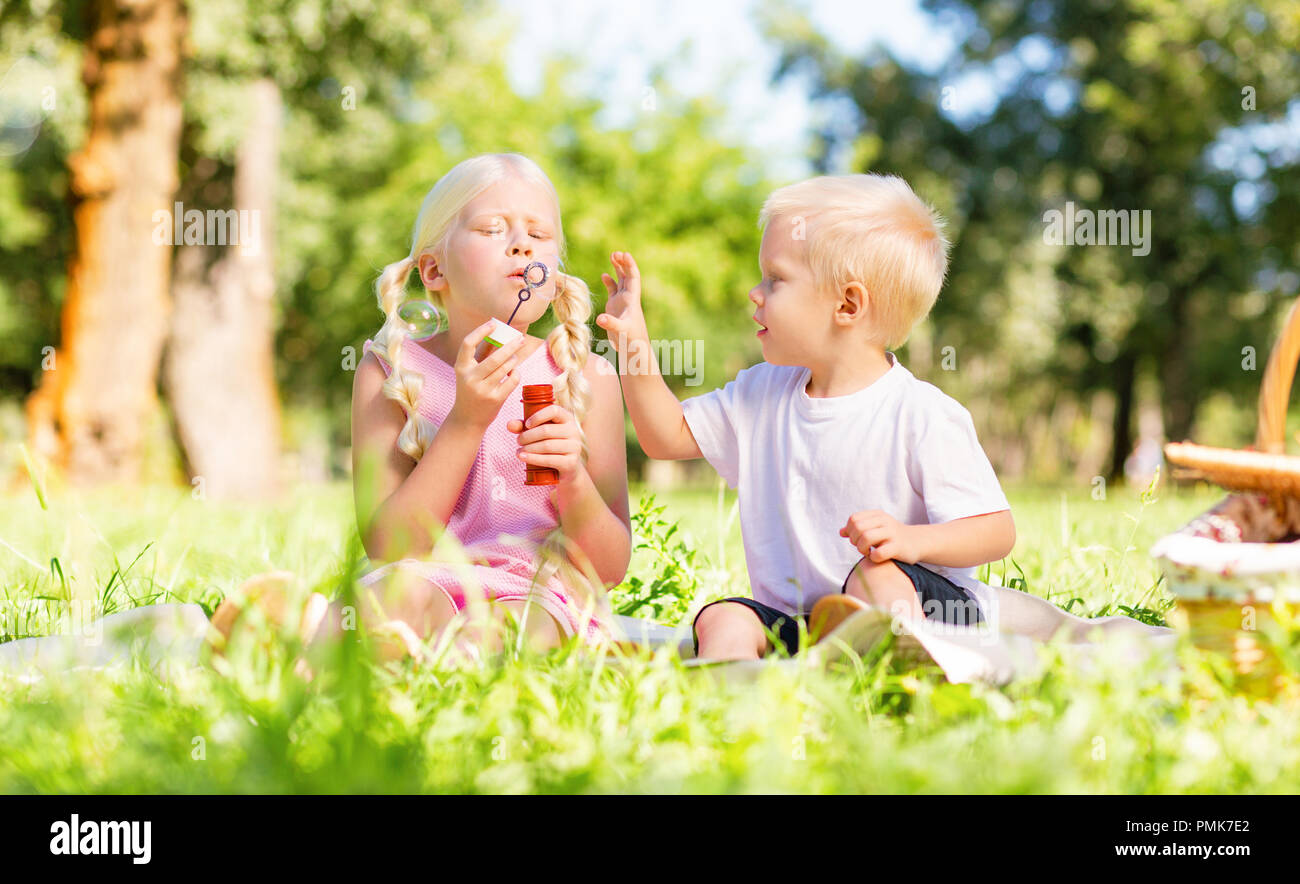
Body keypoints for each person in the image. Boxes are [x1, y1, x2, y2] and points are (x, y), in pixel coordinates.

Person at [214, 152, 632, 670]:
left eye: (539, 235)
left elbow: (610, 567)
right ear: (434, 269)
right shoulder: (392, 369)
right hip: (423, 573)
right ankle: (315, 640)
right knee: (397, 597)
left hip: (541, 589)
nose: (522, 244)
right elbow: (390, 544)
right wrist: (465, 423)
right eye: (491, 228)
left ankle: (392, 657)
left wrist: (572, 480)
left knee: (517, 628)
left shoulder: (585, 376)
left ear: (554, 276)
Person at [596, 173, 1016, 661]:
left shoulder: (921, 414)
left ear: (847, 304)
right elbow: (666, 437)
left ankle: (910, 670)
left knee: (876, 577)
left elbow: (995, 531)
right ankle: (735, 690)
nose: (755, 293)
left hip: (932, 611)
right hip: (804, 626)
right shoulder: (761, 395)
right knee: (722, 616)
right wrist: (634, 345)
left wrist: (911, 540)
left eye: (775, 279)